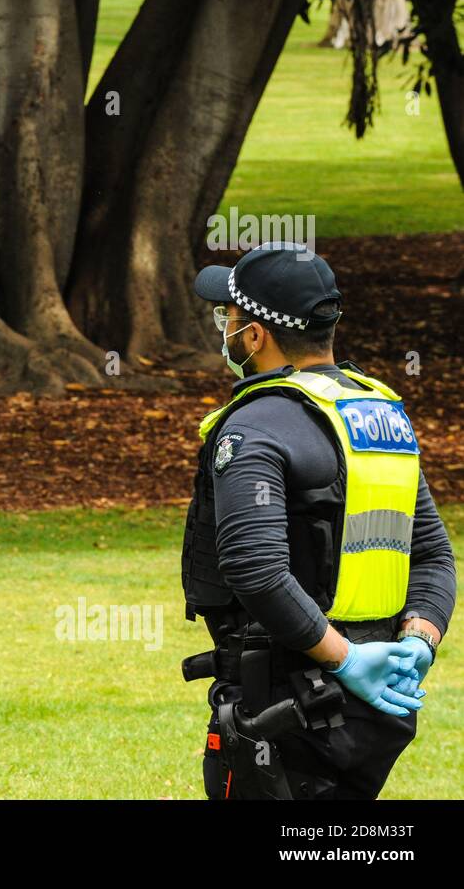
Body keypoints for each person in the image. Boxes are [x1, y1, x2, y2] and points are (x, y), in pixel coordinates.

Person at [182, 241, 456, 799]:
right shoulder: (381, 417)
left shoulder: (253, 426)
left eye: (230, 316)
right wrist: (418, 644)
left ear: (255, 335)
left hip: (284, 701)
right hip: (378, 704)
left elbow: (254, 569)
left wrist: (348, 659)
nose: (226, 329)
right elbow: (432, 555)